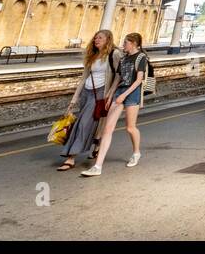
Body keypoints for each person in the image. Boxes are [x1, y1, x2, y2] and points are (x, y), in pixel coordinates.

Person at [81, 33, 149, 176]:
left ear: (134, 43)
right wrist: (111, 94)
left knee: (130, 128)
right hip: (119, 92)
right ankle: (97, 166)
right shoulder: (124, 58)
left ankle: (136, 152)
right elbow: (118, 78)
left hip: (132, 93)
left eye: (126, 42)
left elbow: (139, 80)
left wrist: (124, 95)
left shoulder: (141, 57)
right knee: (107, 129)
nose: (123, 45)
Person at [58, 29, 119, 170]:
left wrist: (110, 92)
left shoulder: (114, 54)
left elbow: (118, 75)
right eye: (95, 38)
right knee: (93, 123)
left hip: (100, 93)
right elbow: (84, 77)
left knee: (82, 123)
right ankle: (97, 144)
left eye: (100, 38)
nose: (96, 40)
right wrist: (74, 98)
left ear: (108, 40)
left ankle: (70, 157)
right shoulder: (92, 55)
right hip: (86, 92)